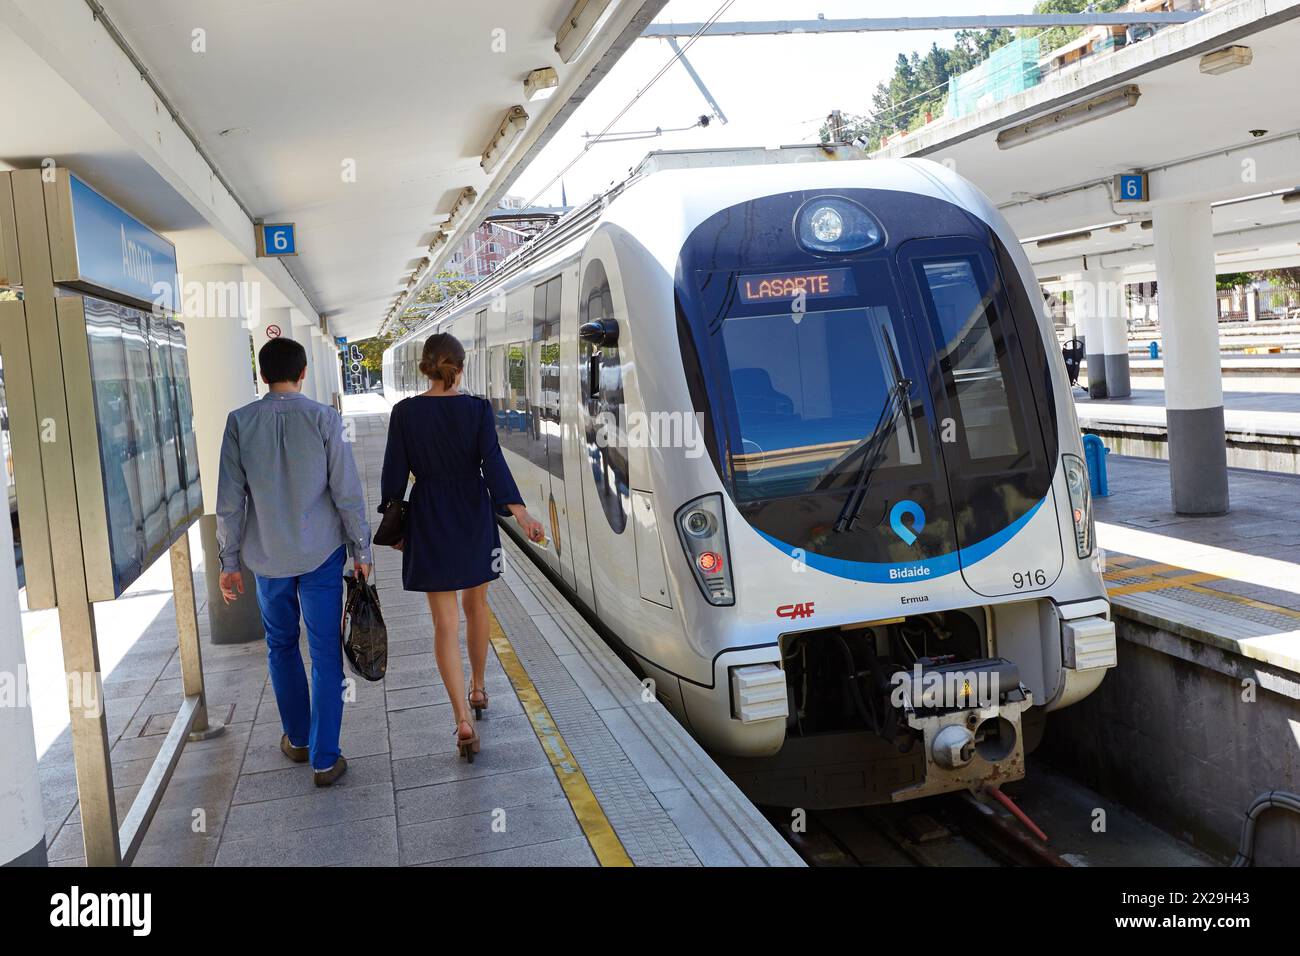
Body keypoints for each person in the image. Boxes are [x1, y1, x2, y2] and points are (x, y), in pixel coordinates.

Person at [379, 332, 544, 760]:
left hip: (431, 515)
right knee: (478, 606)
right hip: (473, 514)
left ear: (425, 366)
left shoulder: (405, 413)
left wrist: (396, 528)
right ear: (460, 366)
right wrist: (522, 514)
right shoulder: (477, 410)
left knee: (444, 624)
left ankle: (461, 720)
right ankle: (478, 687)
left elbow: (394, 476)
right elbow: (493, 462)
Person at [216, 338, 372, 786]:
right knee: (325, 654)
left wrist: (229, 562)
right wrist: (361, 551)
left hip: (267, 560)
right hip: (321, 555)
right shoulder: (326, 418)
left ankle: (298, 739)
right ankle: (325, 759)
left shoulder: (239, 423)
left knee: (281, 645)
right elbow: (347, 491)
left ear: (262, 375)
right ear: (303, 372)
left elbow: (229, 502)